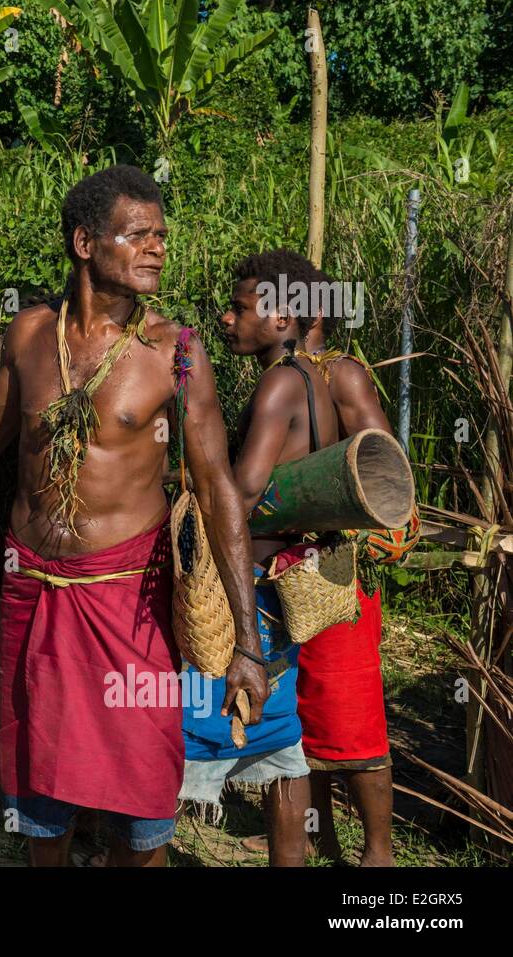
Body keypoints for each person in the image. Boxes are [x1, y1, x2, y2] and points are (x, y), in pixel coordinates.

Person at [0, 165, 269, 867]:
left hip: (129, 606)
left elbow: (218, 493)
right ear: (86, 242)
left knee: (142, 795)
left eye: (162, 236)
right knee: (39, 788)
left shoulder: (175, 353)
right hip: (33, 595)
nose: (157, 248)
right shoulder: (30, 333)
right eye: (139, 235)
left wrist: (247, 641)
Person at [179, 249, 339, 866]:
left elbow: (241, 493)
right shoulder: (312, 377)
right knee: (279, 730)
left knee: (205, 715)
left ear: (280, 318)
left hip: (251, 581)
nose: (226, 317)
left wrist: (189, 500)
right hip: (284, 579)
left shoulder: (278, 383)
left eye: (240, 307)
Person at [293, 264, 403, 866]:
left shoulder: (342, 374)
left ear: (302, 312)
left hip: (340, 568)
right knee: (306, 710)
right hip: (293, 570)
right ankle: (317, 837)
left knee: (348, 711)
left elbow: (386, 474)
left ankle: (378, 855)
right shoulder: (288, 378)